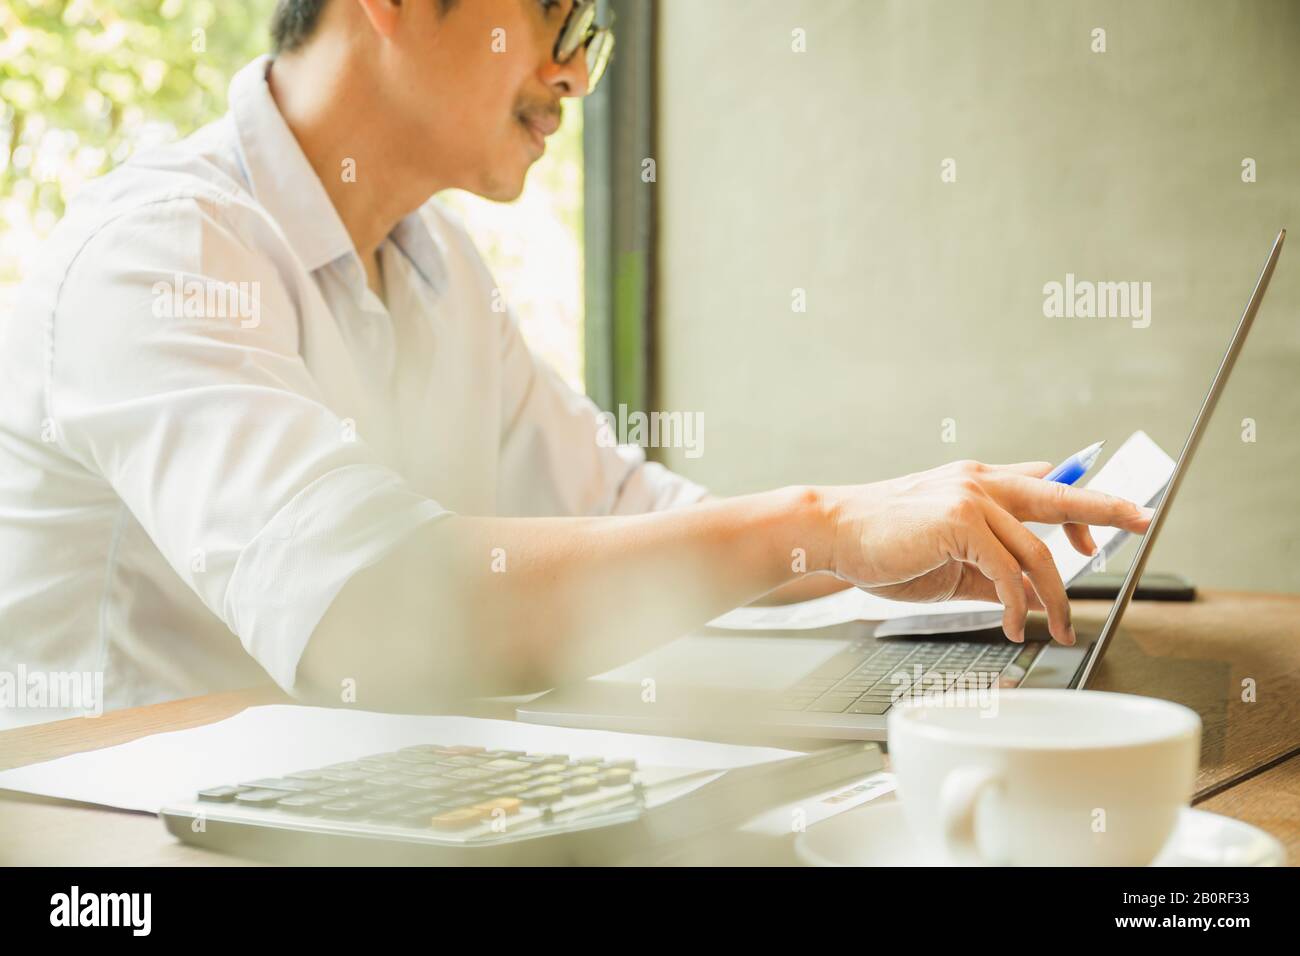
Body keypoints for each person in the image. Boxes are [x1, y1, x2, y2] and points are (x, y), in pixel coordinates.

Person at [0, 0, 1150, 724]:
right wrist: (820, 519)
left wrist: (897, 538)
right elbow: (373, 608)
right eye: (560, 18)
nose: (575, 76)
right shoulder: (158, 252)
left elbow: (630, 511)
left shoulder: (435, 262)